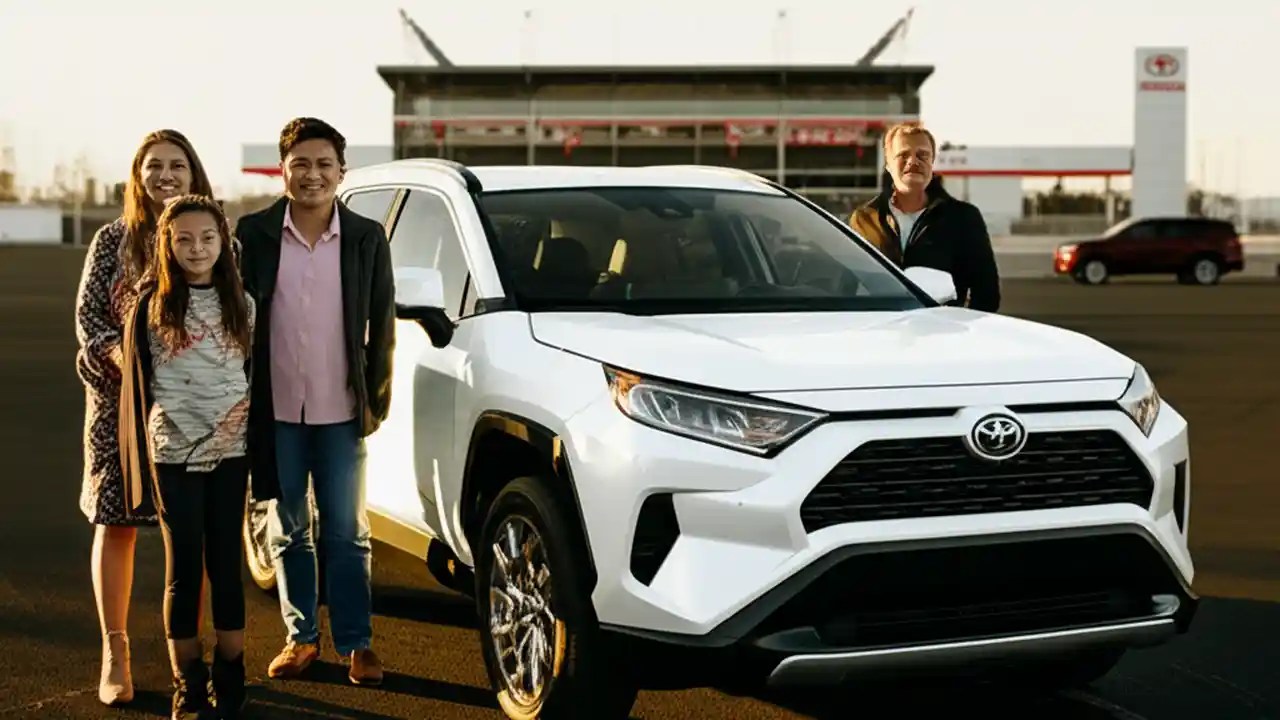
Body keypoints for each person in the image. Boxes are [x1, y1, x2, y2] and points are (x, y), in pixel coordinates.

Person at [234, 117, 395, 686]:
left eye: (324, 164)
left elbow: (383, 323)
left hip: (341, 413)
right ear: (282, 170)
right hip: (274, 413)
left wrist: (374, 402)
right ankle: (301, 638)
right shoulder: (251, 235)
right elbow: (234, 320)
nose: (312, 175)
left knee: (347, 533)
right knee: (287, 530)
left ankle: (358, 644)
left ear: (341, 172)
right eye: (300, 163)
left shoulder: (365, 237)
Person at [73, 128, 214, 706]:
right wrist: (127, 364)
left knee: (195, 534)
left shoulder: (212, 238)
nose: (165, 175)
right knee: (117, 523)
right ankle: (116, 650)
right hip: (120, 406)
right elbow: (89, 320)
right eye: (153, 166)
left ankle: (190, 657)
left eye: (177, 165)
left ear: (193, 173)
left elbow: (233, 315)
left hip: (196, 409)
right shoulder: (112, 241)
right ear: (138, 176)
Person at [119, 194, 255, 718]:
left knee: (226, 563)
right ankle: (189, 680)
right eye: (183, 239)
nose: (196, 249)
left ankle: (231, 674)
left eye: (207, 238)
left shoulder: (243, 305)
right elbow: (138, 385)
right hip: (173, 454)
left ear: (224, 244)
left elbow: (251, 377)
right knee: (184, 568)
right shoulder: (151, 306)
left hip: (231, 452)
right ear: (166, 246)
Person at [849, 121, 1001, 312]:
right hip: (882, 332)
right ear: (887, 164)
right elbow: (845, 286)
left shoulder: (963, 218)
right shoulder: (863, 220)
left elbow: (987, 294)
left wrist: (960, 329)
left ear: (932, 162)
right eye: (903, 155)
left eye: (922, 155)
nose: (913, 161)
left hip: (941, 333)